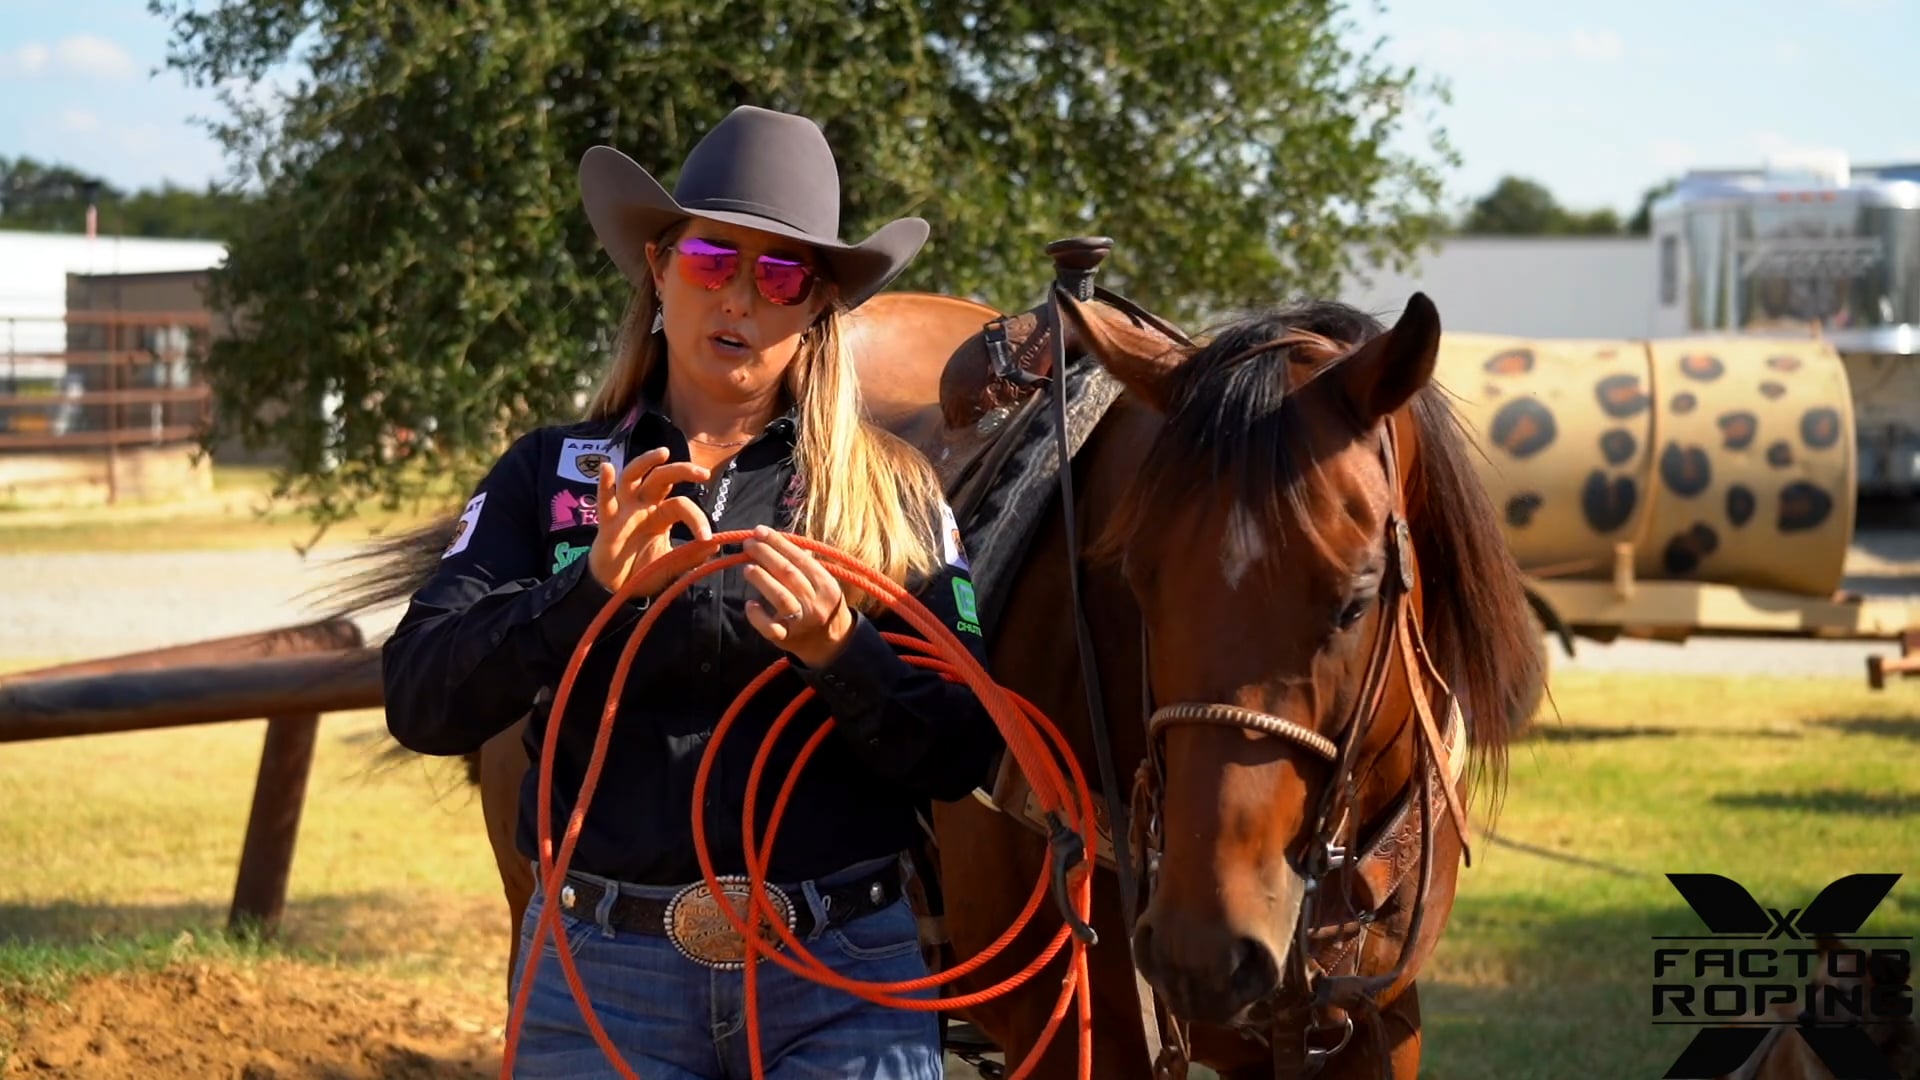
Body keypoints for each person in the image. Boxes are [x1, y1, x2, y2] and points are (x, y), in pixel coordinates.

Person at [381, 105, 1004, 1079]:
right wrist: (586, 594)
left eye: (783, 273)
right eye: (715, 259)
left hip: (841, 979)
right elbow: (422, 696)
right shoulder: (549, 475)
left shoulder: (894, 495)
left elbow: (969, 745)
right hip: (601, 975)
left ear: (816, 308)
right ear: (660, 269)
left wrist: (845, 651)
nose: (742, 299)